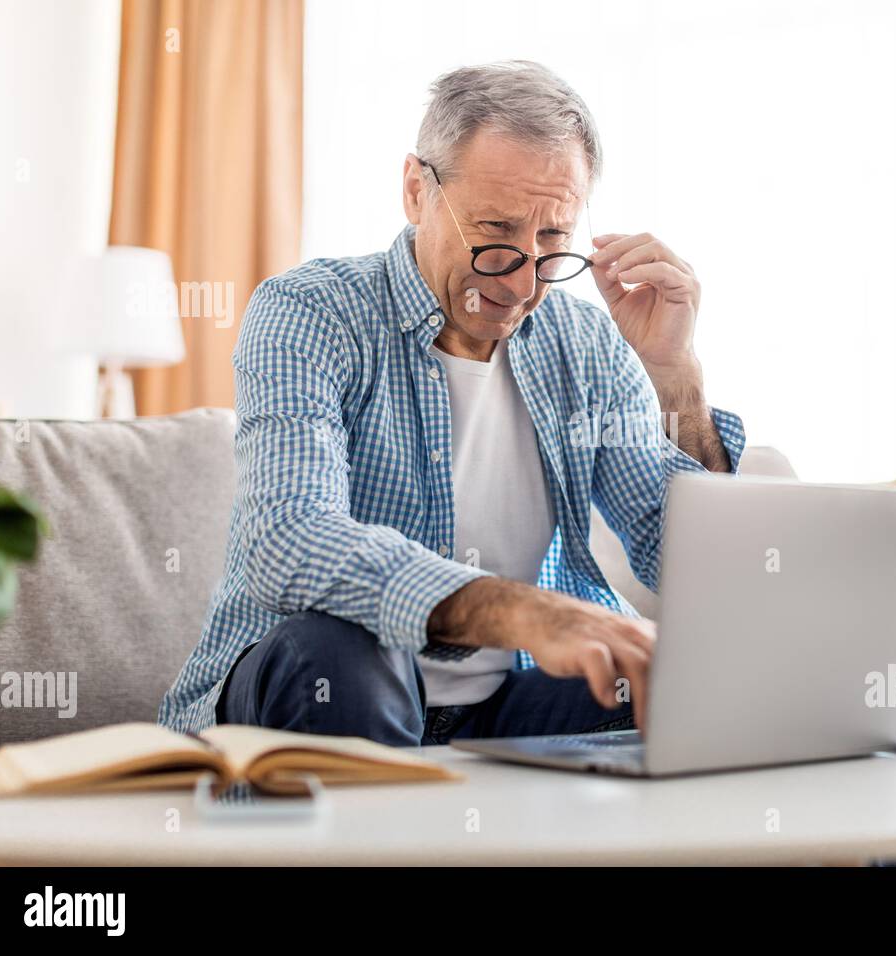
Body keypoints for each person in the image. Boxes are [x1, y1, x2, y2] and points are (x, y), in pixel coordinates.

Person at [158, 60, 744, 747]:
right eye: (496, 229)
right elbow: (288, 540)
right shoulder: (311, 311)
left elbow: (691, 567)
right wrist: (522, 612)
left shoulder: (585, 343)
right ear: (416, 191)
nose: (524, 280)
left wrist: (676, 377)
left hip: (498, 709)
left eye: (552, 240)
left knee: (691, 680)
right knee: (344, 659)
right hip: (325, 684)